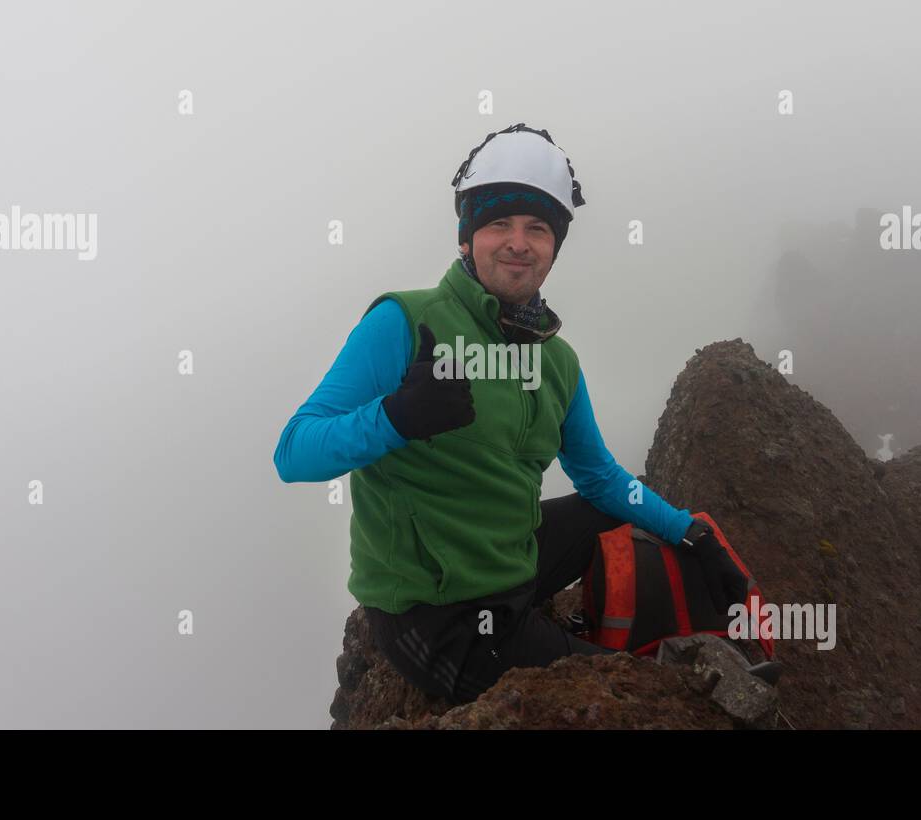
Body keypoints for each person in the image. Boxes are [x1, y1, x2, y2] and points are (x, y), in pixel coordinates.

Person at [274, 123, 743, 704]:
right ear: (467, 237)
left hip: (511, 557)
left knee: (639, 505)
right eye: (498, 223)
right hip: (437, 611)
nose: (518, 242)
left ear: (553, 247)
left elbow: (598, 478)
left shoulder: (557, 361)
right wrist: (397, 417)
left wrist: (690, 533)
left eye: (537, 228)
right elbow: (293, 453)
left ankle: (644, 627)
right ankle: (670, 675)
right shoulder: (403, 323)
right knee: (648, 700)